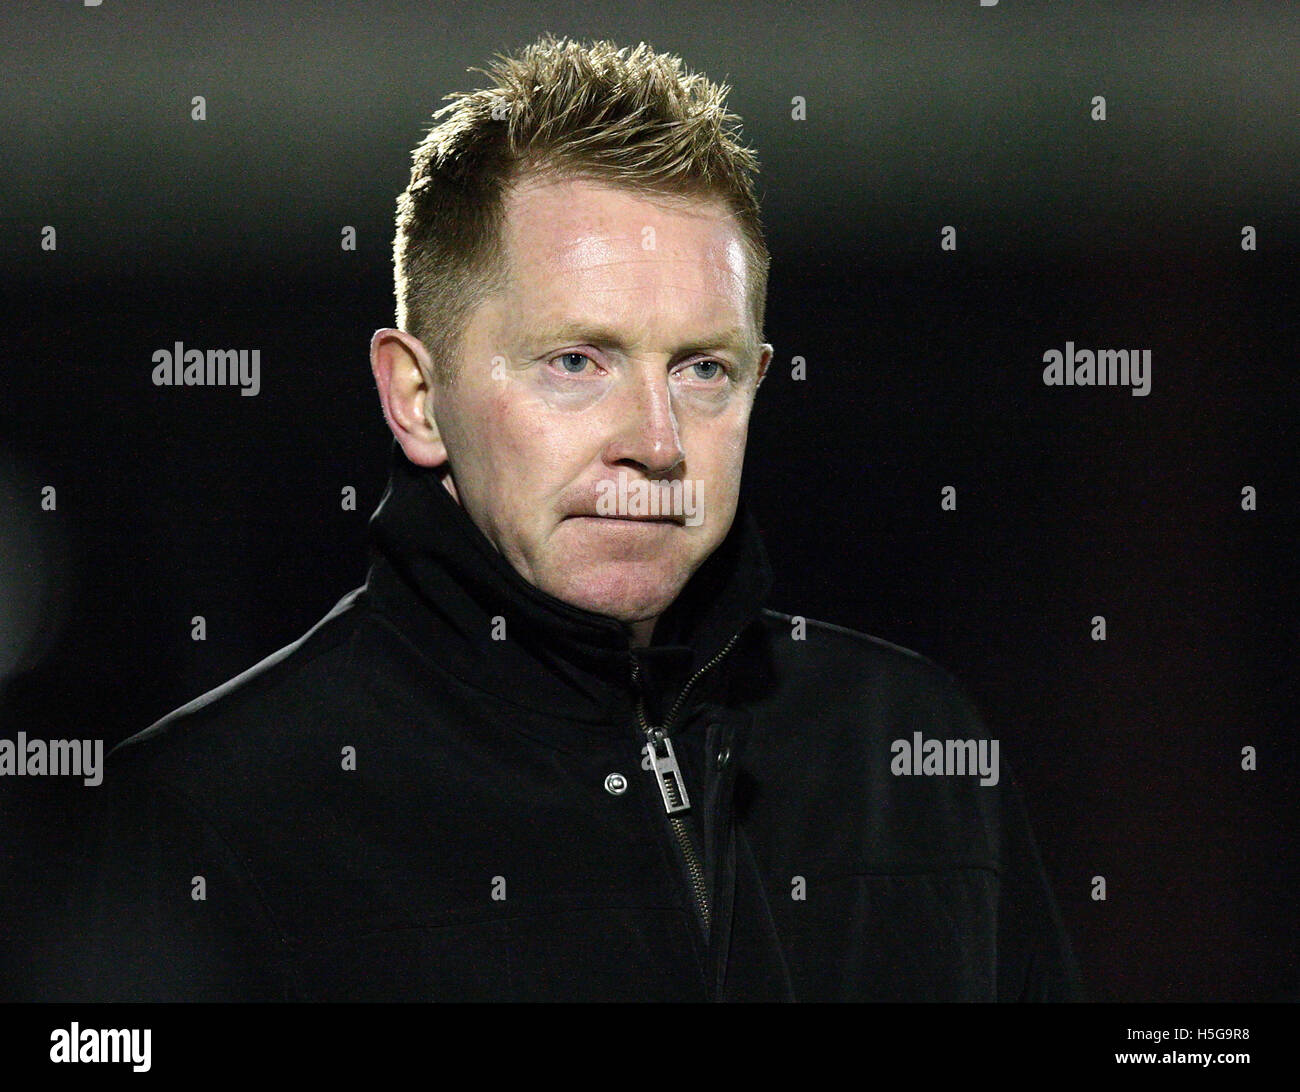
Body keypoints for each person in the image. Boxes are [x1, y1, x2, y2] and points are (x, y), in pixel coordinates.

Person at [70, 34, 1081, 1001]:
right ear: (417, 398)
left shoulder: (911, 752)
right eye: (575, 363)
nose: (657, 439)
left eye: (702, 369)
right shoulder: (212, 812)